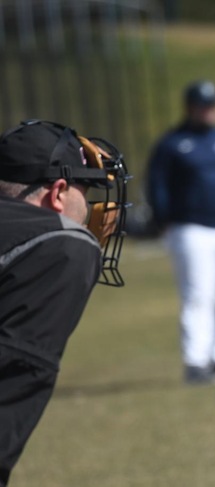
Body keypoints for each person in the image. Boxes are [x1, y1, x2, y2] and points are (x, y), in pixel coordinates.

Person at [0, 119, 130, 485]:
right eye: (83, 193)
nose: (91, 211)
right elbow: (16, 371)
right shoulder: (60, 245)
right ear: (57, 193)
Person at [147, 80, 215, 386]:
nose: (209, 111)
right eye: (204, 105)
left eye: (213, 105)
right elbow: (157, 184)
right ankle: (196, 362)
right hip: (190, 229)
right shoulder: (172, 143)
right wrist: (163, 219)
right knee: (198, 296)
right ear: (191, 107)